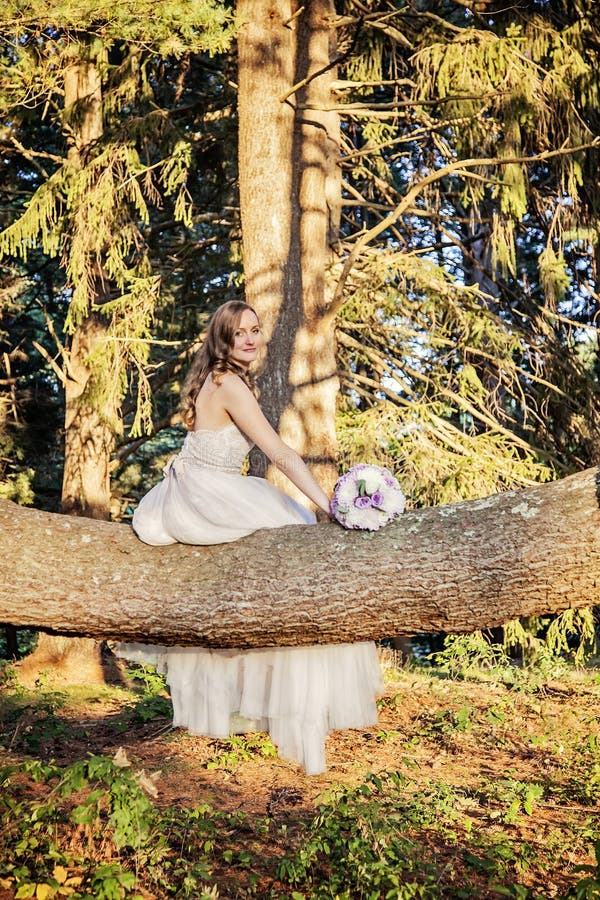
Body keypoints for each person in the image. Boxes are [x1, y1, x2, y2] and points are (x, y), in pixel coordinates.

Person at [119, 300, 382, 775]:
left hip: (195, 485)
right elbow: (279, 454)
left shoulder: (214, 379)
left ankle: (262, 688)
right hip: (205, 490)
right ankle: (287, 695)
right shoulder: (229, 383)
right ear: (222, 338)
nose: (251, 339)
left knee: (286, 530)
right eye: (239, 332)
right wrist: (330, 507)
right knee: (298, 529)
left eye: (256, 330)